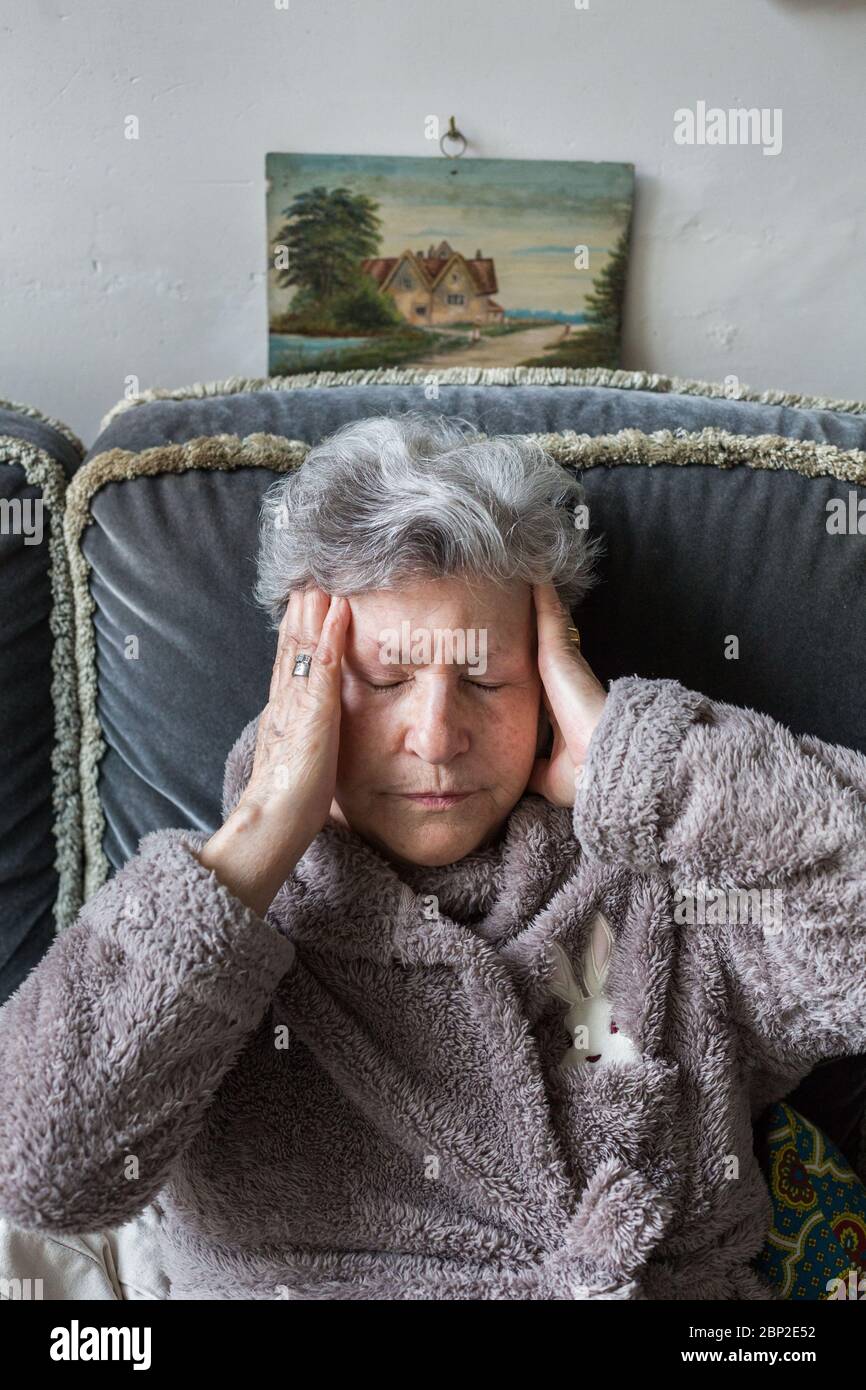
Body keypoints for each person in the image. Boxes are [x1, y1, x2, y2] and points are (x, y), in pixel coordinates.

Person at [0, 412, 863, 1301]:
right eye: (383, 682)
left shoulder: (667, 887)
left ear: (552, 686)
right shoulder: (217, 920)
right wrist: (262, 827)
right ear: (303, 688)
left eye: (487, 679)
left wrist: (639, 760)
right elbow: (40, 1169)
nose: (439, 736)